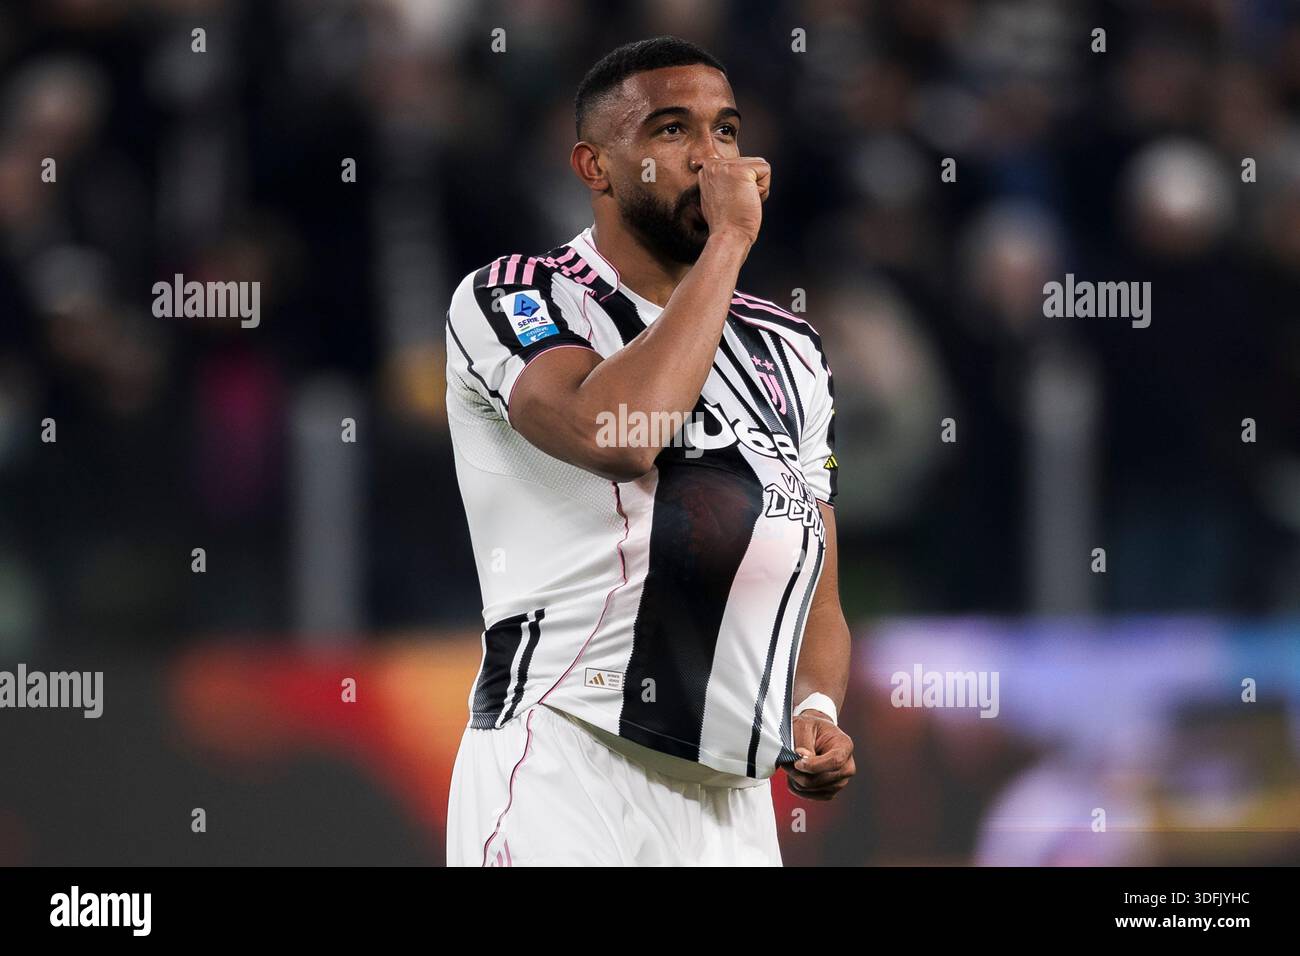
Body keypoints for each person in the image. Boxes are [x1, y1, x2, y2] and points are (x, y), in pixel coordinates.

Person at [444, 36, 854, 866]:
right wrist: (729, 245)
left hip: (730, 805)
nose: (712, 157)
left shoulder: (791, 348)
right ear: (595, 166)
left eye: (727, 131)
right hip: (566, 758)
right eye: (673, 131)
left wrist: (815, 706)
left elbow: (814, 577)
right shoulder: (517, 293)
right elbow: (615, 436)